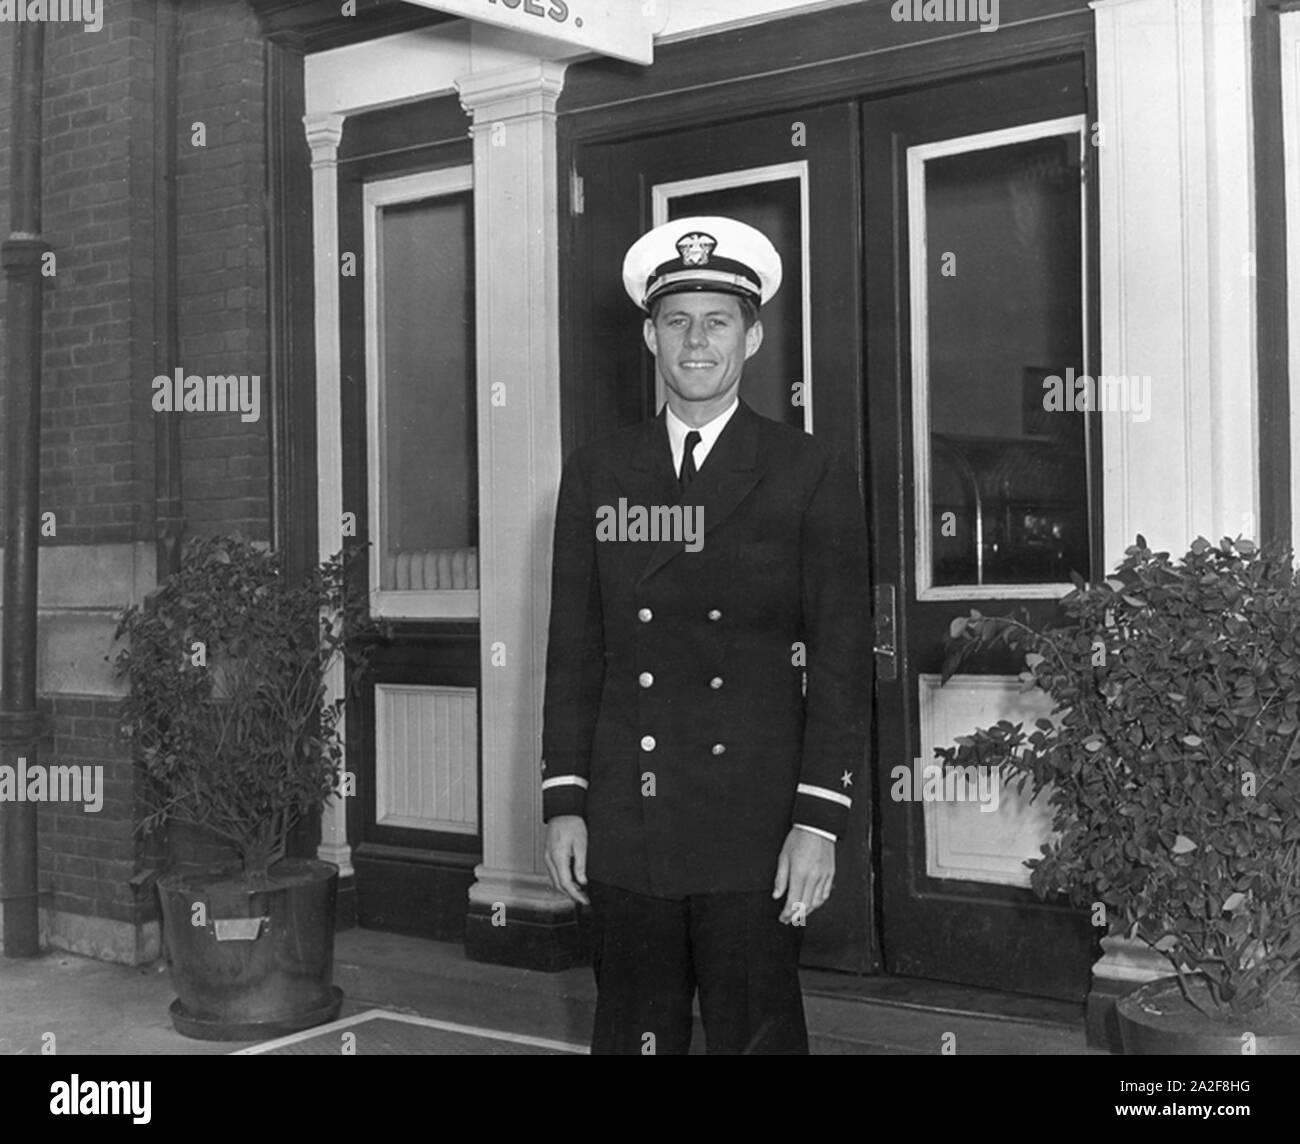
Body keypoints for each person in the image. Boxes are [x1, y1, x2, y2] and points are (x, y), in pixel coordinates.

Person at [540, 215, 871, 1054]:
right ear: (650, 334)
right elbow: (574, 652)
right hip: (629, 818)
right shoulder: (598, 471)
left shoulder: (809, 470)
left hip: (754, 823)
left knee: (753, 1037)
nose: (696, 341)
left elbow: (839, 661)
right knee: (633, 1035)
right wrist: (566, 804)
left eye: (717, 320)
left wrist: (819, 821)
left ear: (753, 337)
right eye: (677, 320)